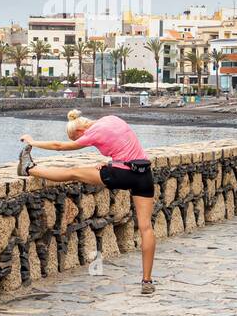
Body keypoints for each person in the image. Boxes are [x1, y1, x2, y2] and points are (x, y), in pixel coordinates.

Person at [18, 110, 156, 295]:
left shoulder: (91, 133)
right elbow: (123, 148)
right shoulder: (113, 118)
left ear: (80, 130)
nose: (82, 140)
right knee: (146, 227)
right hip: (143, 173)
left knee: (73, 172)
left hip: (122, 174)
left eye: (77, 137)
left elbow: (59, 146)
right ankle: (147, 280)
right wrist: (109, 163)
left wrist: (32, 141)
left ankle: (29, 168)